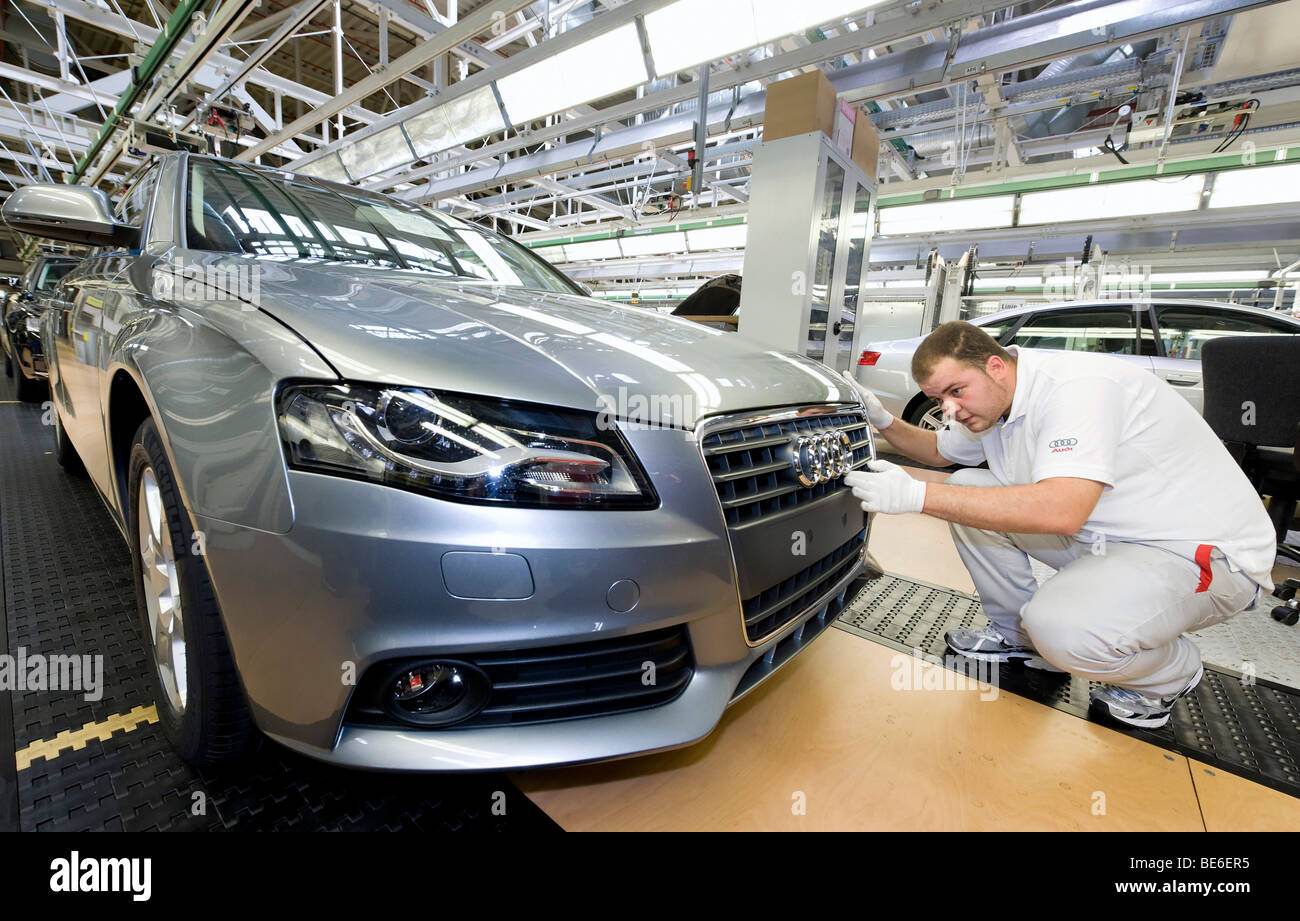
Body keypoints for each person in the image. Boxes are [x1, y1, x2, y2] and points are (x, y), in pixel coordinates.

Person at [841, 321, 1275, 728]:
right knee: (969, 483)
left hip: (1201, 555)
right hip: (1111, 536)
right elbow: (940, 451)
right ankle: (1016, 636)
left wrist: (918, 496)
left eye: (956, 391)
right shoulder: (997, 399)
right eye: (939, 400)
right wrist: (881, 419)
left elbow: (1061, 511)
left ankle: (1170, 674)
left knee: (1062, 630)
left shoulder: (1076, 389)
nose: (949, 409)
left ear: (995, 365)